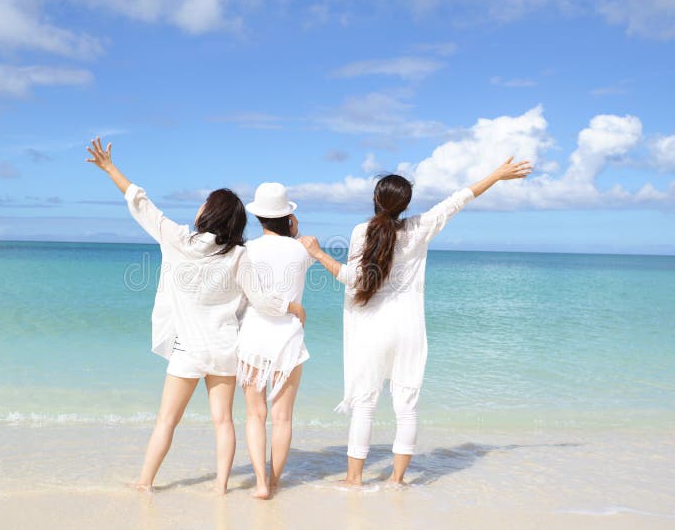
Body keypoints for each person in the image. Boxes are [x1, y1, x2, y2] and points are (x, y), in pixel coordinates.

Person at [85, 137, 306, 494]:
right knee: (223, 422)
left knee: (166, 421)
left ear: (209, 213)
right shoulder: (239, 255)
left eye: (204, 203)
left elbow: (142, 205)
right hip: (224, 349)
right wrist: (292, 307)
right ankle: (220, 487)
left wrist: (110, 169)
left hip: (187, 349)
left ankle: (145, 482)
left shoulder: (178, 241)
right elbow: (262, 300)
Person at [300, 157, 532, 487]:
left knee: (365, 405)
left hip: (371, 329)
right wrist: (496, 174)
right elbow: (459, 198)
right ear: (406, 204)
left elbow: (351, 278)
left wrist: (317, 253)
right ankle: (397, 481)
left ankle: (354, 481)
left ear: (376, 200)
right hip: (408, 330)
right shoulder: (420, 227)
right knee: (406, 407)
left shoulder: (361, 231)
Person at [236, 182, 314, 499]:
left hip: (253, 337)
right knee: (283, 419)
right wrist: (294, 233)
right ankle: (277, 480)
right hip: (289, 340)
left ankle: (260, 483)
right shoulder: (301, 250)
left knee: (256, 415)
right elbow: (300, 247)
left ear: (258, 216)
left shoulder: (247, 250)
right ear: (288, 217)